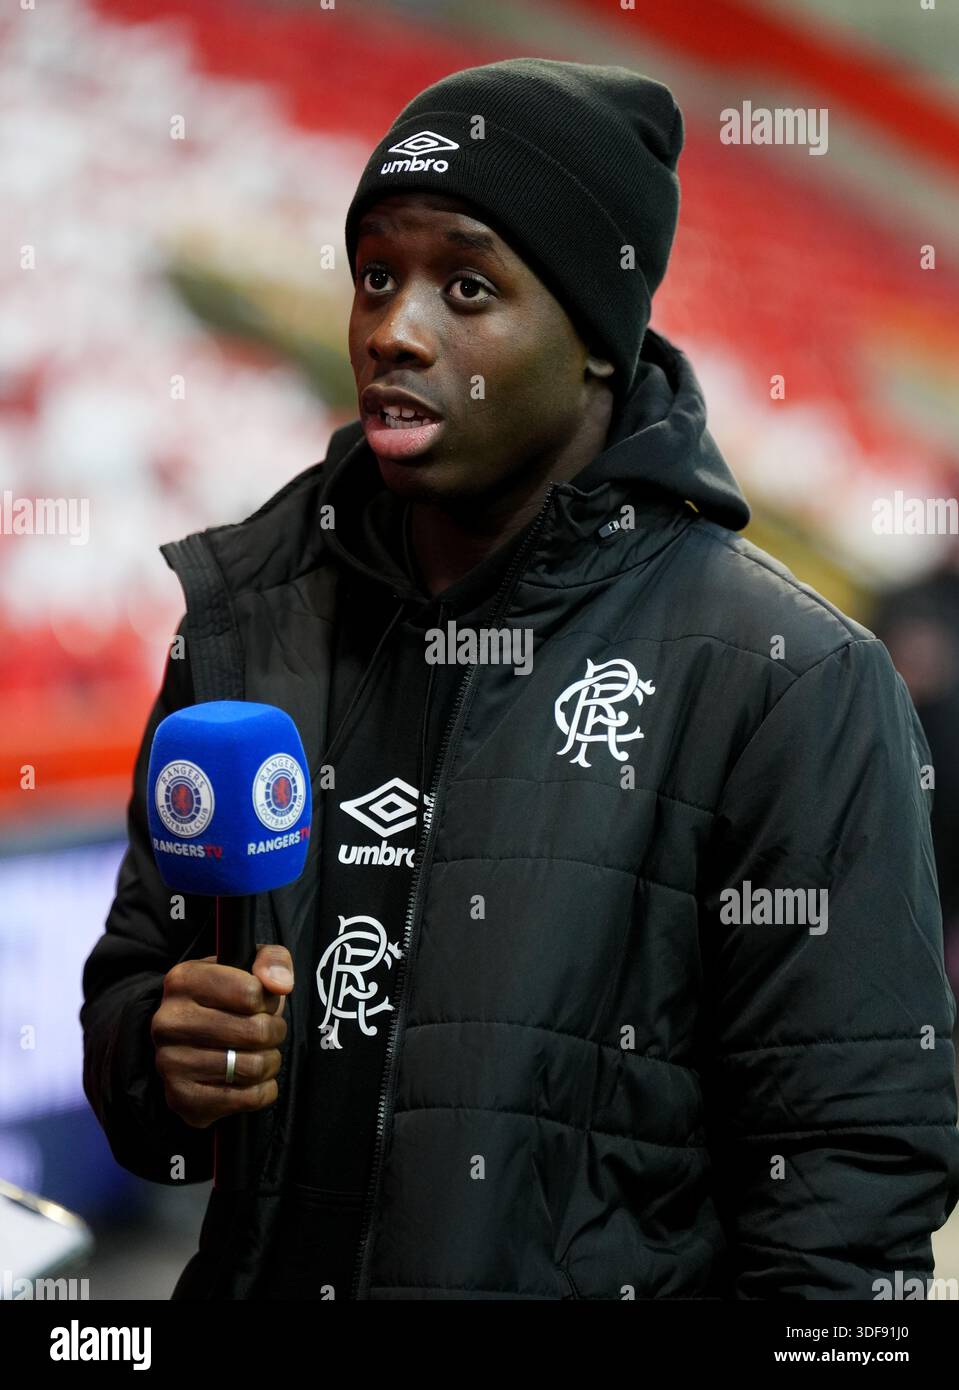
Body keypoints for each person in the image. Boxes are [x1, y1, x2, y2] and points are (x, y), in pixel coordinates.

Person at [81, 58, 959, 1301]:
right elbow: (136, 1028)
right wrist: (159, 1056)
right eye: (375, 273)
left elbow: (844, 1202)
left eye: (468, 285)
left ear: (596, 344)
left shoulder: (787, 685)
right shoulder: (244, 626)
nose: (393, 326)